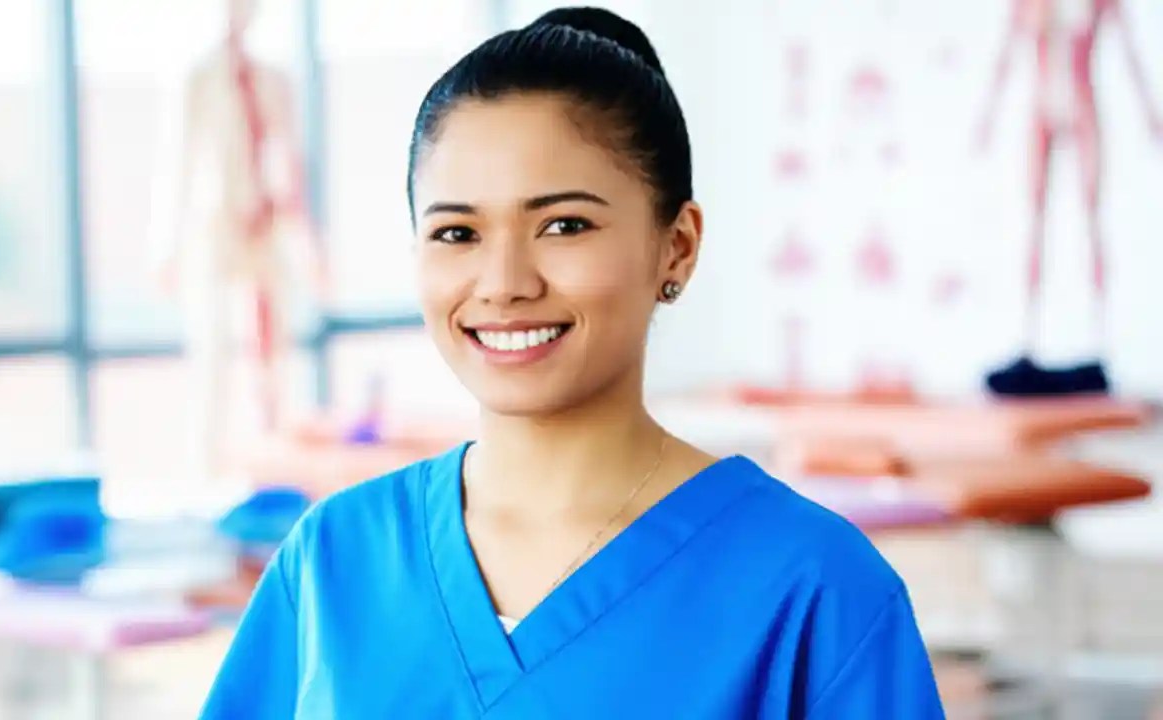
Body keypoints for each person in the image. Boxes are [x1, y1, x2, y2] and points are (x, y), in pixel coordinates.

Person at [201, 7, 945, 718]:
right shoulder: (336, 561)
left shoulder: (812, 588)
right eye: (458, 234)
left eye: (564, 224)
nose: (504, 283)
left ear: (676, 245)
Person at [148, 0, 327, 487]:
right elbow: (177, 164)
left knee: (272, 350)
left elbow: (290, 160)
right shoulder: (197, 79)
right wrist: (167, 245)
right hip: (214, 228)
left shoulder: (273, 79)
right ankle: (205, 474)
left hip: (264, 226)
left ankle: (269, 470)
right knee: (212, 351)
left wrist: (306, 241)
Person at [976, 0, 1162, 396]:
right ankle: (1028, 336)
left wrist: (1150, 113)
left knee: (1091, 225)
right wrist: (988, 116)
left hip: (1081, 103)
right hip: (1043, 106)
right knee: (1035, 227)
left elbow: (1129, 52)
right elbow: (1007, 54)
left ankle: (1100, 336)